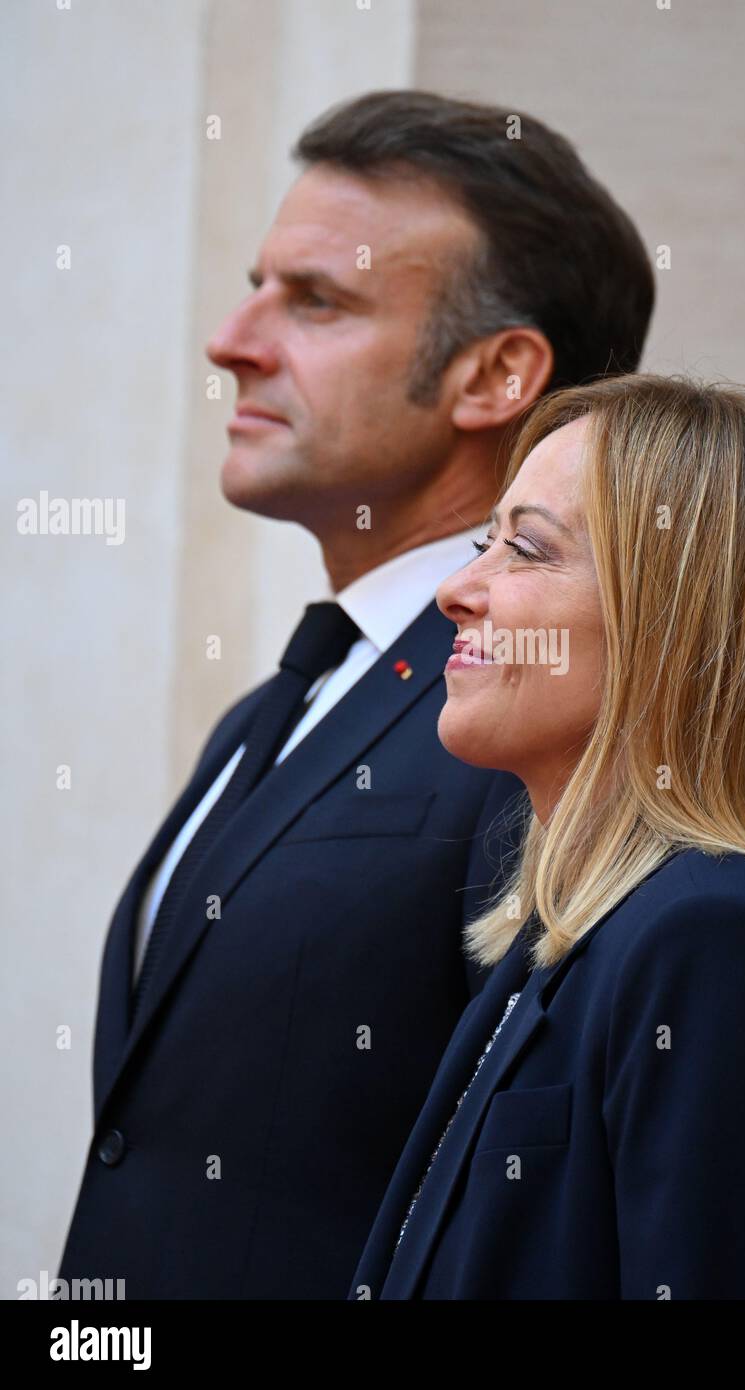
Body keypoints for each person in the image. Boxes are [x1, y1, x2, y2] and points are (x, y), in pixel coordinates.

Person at [58, 90, 654, 1299]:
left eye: (315, 301)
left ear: (495, 373)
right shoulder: (272, 711)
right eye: (258, 285)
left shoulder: (535, 711)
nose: (233, 339)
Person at [348, 373, 745, 1301]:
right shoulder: (580, 941)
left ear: (686, 622)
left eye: (528, 551)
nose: (460, 590)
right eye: (481, 544)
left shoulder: (727, 943)